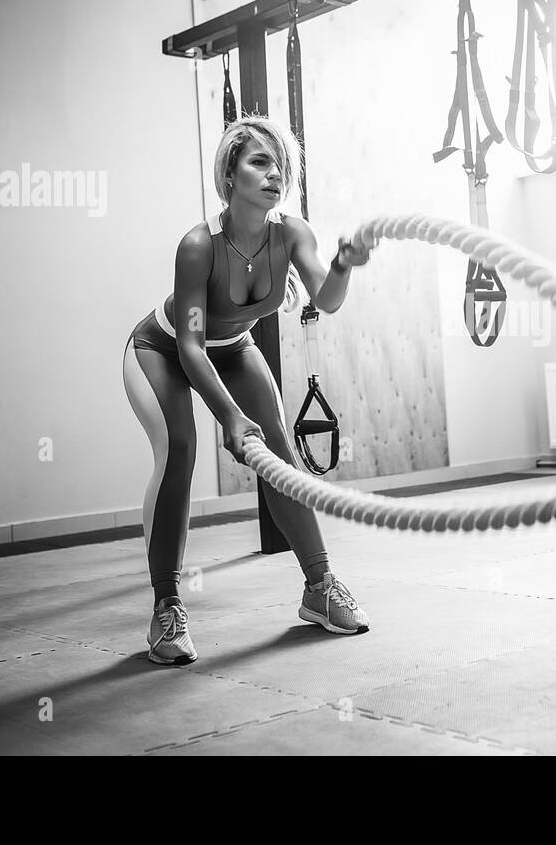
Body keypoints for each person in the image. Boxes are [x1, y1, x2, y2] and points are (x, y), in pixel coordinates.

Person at [121, 116, 371, 665]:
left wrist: (343, 266)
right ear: (230, 175)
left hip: (232, 346)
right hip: (161, 350)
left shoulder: (293, 232)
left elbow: (324, 301)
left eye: (280, 164)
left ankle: (319, 587)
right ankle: (166, 608)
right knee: (180, 451)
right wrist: (231, 418)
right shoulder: (198, 246)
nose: (273, 173)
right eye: (259, 162)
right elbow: (189, 347)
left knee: (278, 456)